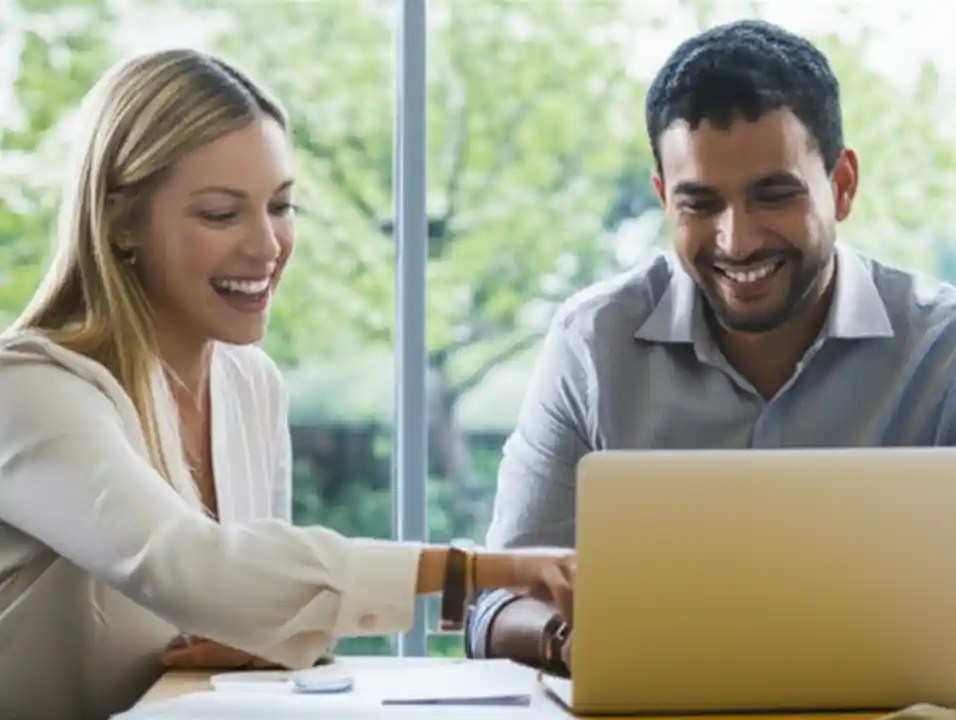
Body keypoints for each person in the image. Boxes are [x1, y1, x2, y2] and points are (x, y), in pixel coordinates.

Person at [465, 19, 956, 679]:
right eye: (700, 204)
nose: (737, 241)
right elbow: (497, 600)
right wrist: (567, 640)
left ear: (844, 185)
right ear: (664, 198)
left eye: (774, 196)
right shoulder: (591, 343)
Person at [0, 49, 574, 720]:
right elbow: (192, 567)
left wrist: (275, 635)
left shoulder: (249, 385)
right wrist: (476, 572)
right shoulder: (29, 390)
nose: (267, 245)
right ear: (122, 223)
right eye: (220, 214)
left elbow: (254, 599)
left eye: (280, 206)